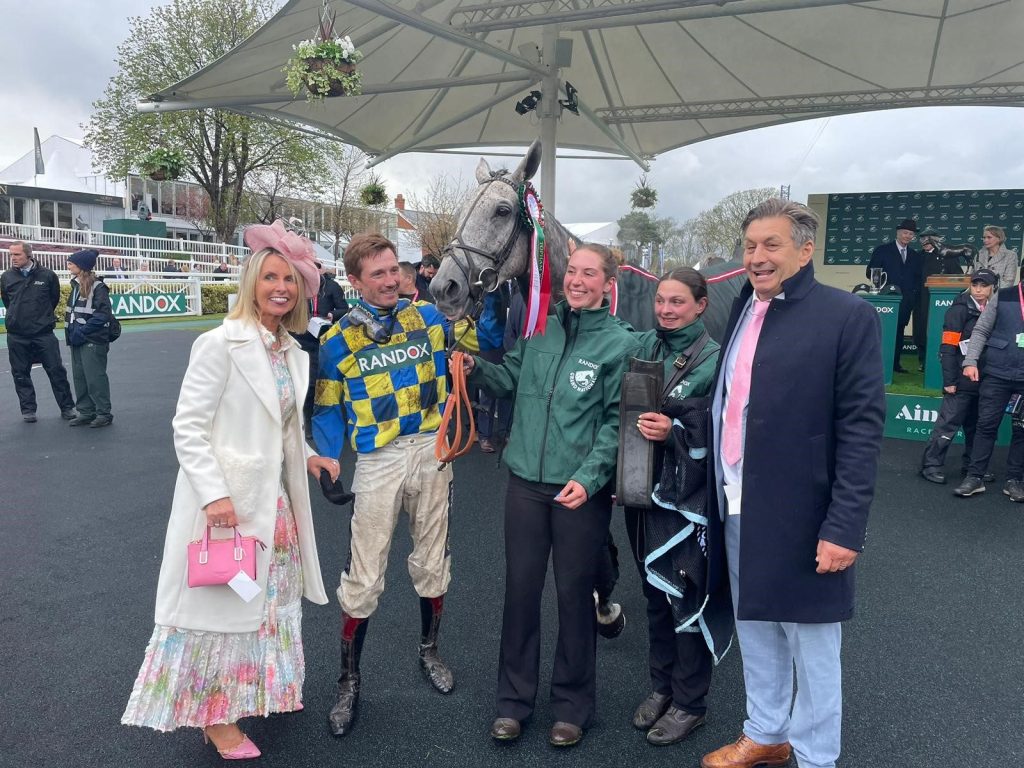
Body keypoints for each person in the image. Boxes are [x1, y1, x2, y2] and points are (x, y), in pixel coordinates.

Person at [122, 224, 335, 759]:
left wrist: (308, 456)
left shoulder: (291, 350)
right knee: (224, 608)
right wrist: (215, 493)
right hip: (231, 508)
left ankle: (266, 686)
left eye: (289, 278)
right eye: (270, 276)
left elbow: (285, 427)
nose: (280, 287)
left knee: (269, 603)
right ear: (251, 282)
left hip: (277, 507)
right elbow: (187, 427)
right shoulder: (219, 343)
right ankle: (217, 717)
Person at [702, 199, 885, 768]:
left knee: (812, 645)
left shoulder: (846, 316)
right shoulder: (742, 309)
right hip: (735, 499)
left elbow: (861, 426)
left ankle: (815, 757)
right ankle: (766, 732)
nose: (757, 257)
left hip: (806, 513)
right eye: (751, 246)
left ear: (806, 250)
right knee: (755, 623)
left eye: (771, 245)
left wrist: (845, 526)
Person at [465, 243, 642, 748]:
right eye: (574, 271)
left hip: (578, 492)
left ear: (609, 283)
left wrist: (589, 478)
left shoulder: (618, 343)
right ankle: (512, 703)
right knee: (520, 593)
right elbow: (506, 379)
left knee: (572, 599)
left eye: (591, 273)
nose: (578, 280)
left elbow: (615, 423)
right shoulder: (540, 328)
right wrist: (471, 367)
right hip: (524, 483)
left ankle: (572, 707)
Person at [313, 232, 455, 738]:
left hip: (431, 453)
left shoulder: (430, 319)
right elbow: (328, 408)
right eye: (378, 273)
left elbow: (475, 354)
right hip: (377, 461)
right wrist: (328, 459)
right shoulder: (336, 342)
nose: (392, 279)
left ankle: (429, 650)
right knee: (365, 574)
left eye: (394, 269)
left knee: (432, 560)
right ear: (354, 282)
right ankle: (349, 679)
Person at [624, 267, 732, 747]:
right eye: (661, 301)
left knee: (685, 597)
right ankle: (661, 686)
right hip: (638, 491)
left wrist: (676, 435)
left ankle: (690, 702)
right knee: (652, 595)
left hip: (687, 500)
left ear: (701, 305)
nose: (666, 310)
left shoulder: (715, 359)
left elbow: (725, 430)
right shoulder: (643, 346)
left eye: (678, 303)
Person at [953, 263, 1024, 502]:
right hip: (997, 373)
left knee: (1022, 430)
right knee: (985, 425)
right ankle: (975, 477)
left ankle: (1014, 481)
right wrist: (970, 361)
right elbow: (981, 330)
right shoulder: (1004, 296)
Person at [919, 269, 997, 483]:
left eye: (984, 285)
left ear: (992, 287)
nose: (979, 289)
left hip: (984, 380)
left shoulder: (993, 309)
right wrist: (950, 381)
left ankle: (972, 468)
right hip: (960, 381)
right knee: (947, 425)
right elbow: (948, 348)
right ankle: (930, 465)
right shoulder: (959, 309)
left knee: (977, 427)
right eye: (975, 285)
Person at [0, 241, 76, 422]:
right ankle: (28, 410)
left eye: (17, 255)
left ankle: (67, 408)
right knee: (20, 373)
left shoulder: (48, 275)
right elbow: (7, 300)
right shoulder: (7, 277)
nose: (13, 258)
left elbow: (53, 298)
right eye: (11, 255)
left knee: (56, 371)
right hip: (17, 335)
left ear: (28, 255)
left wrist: (41, 318)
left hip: (43, 333)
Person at [291, 261, 350, 435]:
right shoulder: (298, 287)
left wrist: (332, 315)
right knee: (308, 382)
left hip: (325, 338)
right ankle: (308, 422)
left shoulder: (332, 287)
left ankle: (335, 422)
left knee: (330, 381)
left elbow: (343, 308)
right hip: (302, 338)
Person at [64, 249, 114, 428]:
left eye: (72, 262)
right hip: (77, 338)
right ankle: (86, 411)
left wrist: (83, 331)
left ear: (82, 266)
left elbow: (103, 314)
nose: (68, 264)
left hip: (91, 338)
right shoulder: (76, 285)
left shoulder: (98, 287)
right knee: (80, 377)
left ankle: (103, 413)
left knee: (95, 377)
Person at [866, 218, 922, 372]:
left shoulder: (915, 255)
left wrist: (912, 294)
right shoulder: (882, 250)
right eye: (905, 232)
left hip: (905, 302)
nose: (907, 236)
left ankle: (894, 364)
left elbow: (918, 278)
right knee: (880, 331)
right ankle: (874, 364)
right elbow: (870, 273)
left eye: (911, 234)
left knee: (899, 332)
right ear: (898, 233)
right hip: (885, 300)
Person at [972, 225, 1018, 290]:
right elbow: (972, 277)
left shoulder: (1010, 256)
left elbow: (1009, 282)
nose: (985, 240)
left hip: (999, 295)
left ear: (999, 238)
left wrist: (988, 289)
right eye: (984, 237)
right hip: (978, 293)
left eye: (989, 237)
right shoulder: (979, 254)